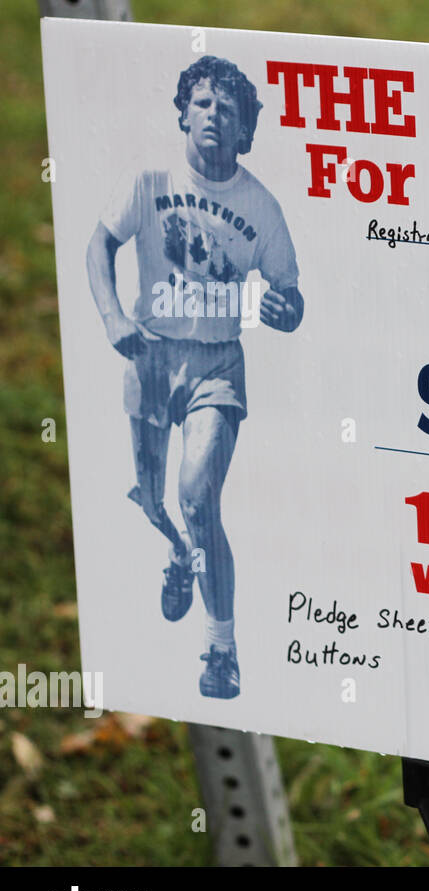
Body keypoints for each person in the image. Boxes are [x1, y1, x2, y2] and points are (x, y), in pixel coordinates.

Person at [85, 55, 304, 699]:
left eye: (229, 111)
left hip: (216, 365)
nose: (214, 117)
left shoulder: (261, 208)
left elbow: (292, 297)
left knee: (196, 495)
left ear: (245, 133)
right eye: (205, 104)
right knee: (155, 501)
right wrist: (112, 316)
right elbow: (100, 244)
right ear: (183, 111)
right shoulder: (149, 180)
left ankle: (220, 651)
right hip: (150, 358)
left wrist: (281, 308)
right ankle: (178, 553)